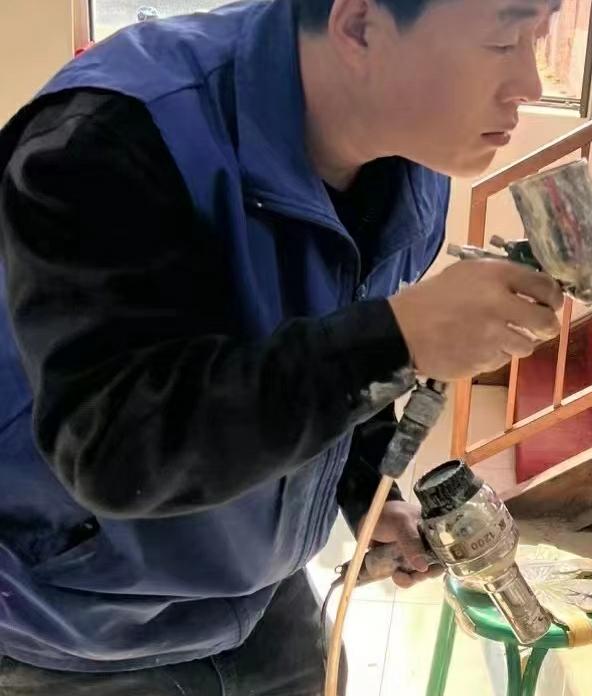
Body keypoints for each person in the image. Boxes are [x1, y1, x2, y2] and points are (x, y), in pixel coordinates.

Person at [0, 0, 563, 693]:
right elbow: (115, 446)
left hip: (259, 593)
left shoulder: (408, 166)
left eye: (539, 38)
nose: (530, 84)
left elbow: (332, 337)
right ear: (359, 26)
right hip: (71, 618)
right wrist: (396, 338)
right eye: (505, 41)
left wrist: (366, 493)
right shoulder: (109, 140)